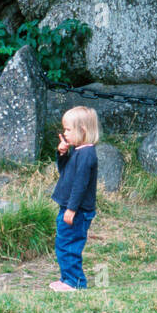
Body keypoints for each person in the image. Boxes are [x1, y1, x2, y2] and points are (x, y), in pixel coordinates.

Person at [49, 105, 99, 291]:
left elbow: (80, 186)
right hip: (70, 208)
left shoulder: (86, 155)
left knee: (69, 245)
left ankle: (75, 283)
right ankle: (67, 279)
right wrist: (62, 153)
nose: (65, 133)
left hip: (76, 211)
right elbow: (65, 172)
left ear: (83, 130)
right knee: (64, 243)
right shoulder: (78, 151)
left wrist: (71, 209)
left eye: (68, 129)